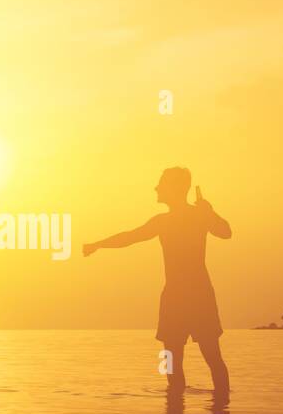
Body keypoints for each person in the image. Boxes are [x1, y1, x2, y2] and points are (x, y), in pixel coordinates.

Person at [84, 167, 231, 400]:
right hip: (175, 297)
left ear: (173, 188)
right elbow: (130, 237)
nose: (156, 188)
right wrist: (98, 244)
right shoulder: (164, 221)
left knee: (210, 357)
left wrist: (209, 212)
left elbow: (225, 232)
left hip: (198, 296)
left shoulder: (196, 215)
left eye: (160, 184)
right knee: (174, 361)